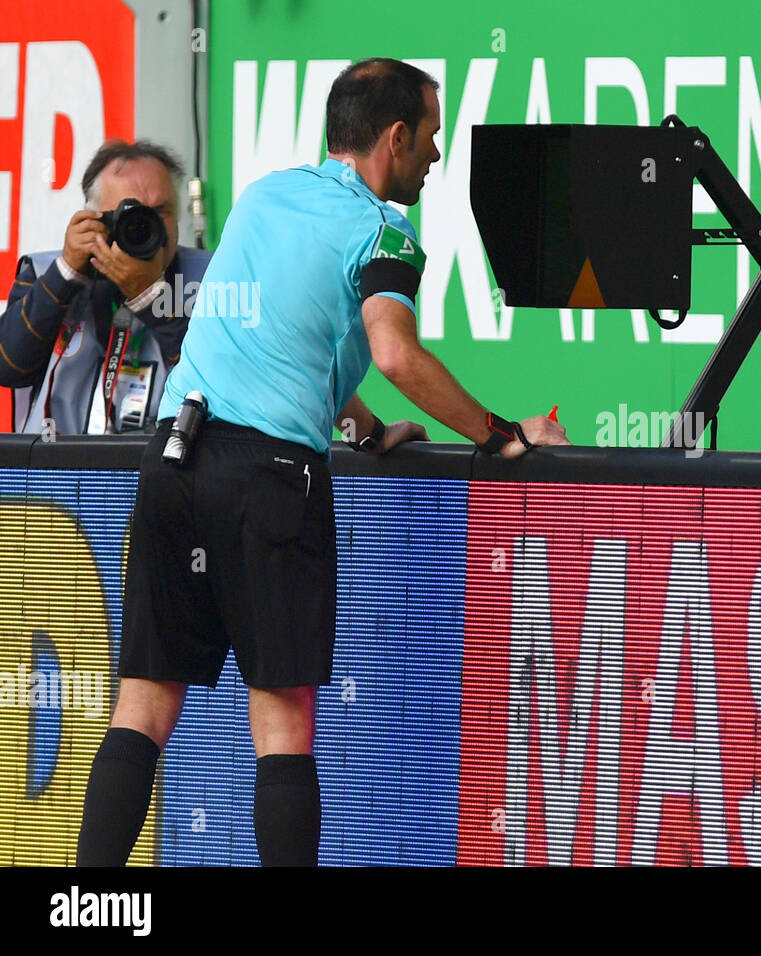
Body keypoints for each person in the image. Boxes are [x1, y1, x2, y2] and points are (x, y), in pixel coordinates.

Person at [75, 57, 569, 867]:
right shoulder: (385, 230)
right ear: (395, 137)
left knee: (140, 709)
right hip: (268, 479)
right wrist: (499, 432)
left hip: (173, 460)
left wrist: (369, 431)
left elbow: (288, 346)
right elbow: (396, 353)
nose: (438, 156)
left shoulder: (267, 194)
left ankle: (80, 914)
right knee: (283, 726)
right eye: (432, 136)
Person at [0, 140, 210, 434]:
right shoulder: (43, 271)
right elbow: (8, 366)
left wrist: (152, 297)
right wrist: (66, 272)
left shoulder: (210, 277)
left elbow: (220, 385)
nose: (146, 224)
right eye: (131, 213)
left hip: (161, 471)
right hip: (55, 471)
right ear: (93, 218)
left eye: (161, 211)